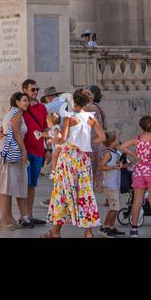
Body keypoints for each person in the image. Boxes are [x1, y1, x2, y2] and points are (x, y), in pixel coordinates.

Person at [42, 87, 103, 239]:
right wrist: (88, 141)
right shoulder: (91, 118)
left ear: (73, 101)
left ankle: (55, 231)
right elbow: (102, 137)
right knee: (85, 192)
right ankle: (88, 232)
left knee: (62, 192)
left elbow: (62, 139)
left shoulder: (69, 118)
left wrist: (52, 138)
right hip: (83, 158)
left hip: (68, 157)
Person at [120, 115, 151, 237]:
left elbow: (122, 146)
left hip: (139, 172)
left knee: (137, 200)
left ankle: (134, 229)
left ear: (141, 127)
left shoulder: (137, 140)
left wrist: (134, 155)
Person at [0, 90, 29, 231]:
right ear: (16, 102)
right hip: (9, 153)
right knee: (5, 186)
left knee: (7, 185)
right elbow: (16, 133)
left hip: (5, 152)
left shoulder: (10, 112)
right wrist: (24, 150)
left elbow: (6, 129)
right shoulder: (16, 113)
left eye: (27, 100)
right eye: (24, 100)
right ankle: (6, 218)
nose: (26, 103)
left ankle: (7, 217)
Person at [18, 78, 49, 228]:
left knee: (32, 186)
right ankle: (23, 216)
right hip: (24, 151)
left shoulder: (43, 108)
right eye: (33, 90)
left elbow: (46, 129)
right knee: (23, 184)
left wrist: (48, 149)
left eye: (37, 89)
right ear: (25, 90)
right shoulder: (20, 109)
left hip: (38, 151)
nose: (36, 92)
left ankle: (29, 215)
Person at [98, 131, 125, 238]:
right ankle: (104, 227)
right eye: (116, 139)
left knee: (115, 207)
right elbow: (101, 166)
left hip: (114, 184)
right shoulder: (108, 153)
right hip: (110, 185)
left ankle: (111, 227)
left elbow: (116, 166)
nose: (118, 140)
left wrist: (126, 165)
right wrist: (114, 167)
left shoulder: (114, 152)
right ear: (112, 142)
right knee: (113, 208)